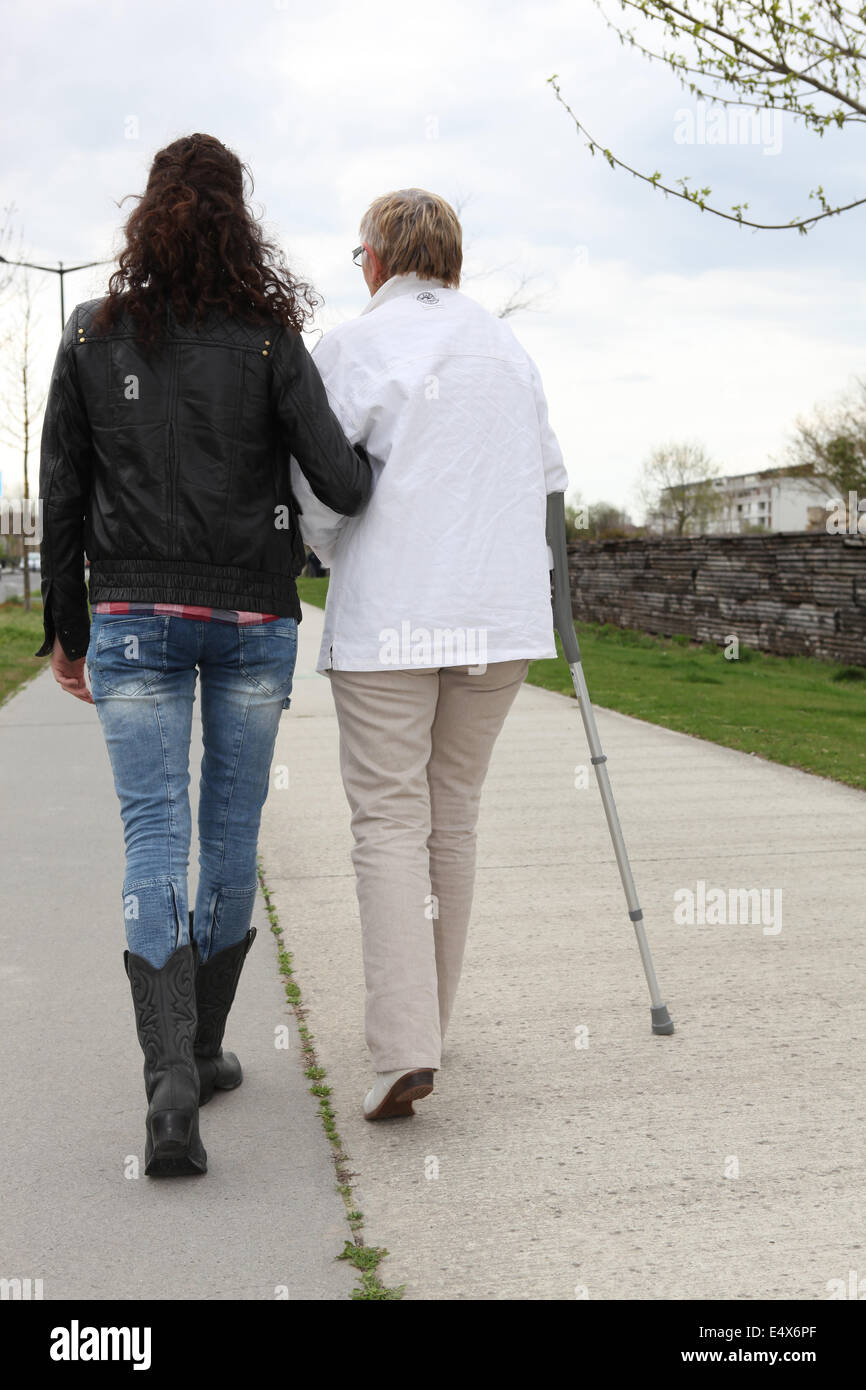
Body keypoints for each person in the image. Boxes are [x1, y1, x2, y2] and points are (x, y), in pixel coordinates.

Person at [37, 133, 372, 1176]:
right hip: (249, 621)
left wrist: (67, 625)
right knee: (231, 833)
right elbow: (344, 484)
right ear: (240, 218)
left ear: (148, 213)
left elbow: (59, 493)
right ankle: (204, 1045)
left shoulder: (91, 332)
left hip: (131, 611)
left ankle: (168, 1082)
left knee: (152, 837)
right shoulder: (271, 338)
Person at [291, 188, 569, 1120]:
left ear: (375, 256)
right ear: (451, 256)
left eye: (358, 253)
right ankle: (426, 1033)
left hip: (394, 619)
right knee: (452, 815)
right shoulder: (507, 347)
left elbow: (321, 483)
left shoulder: (354, 345)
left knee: (388, 821)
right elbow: (551, 482)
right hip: (498, 620)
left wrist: (327, 555)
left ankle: (407, 1046)